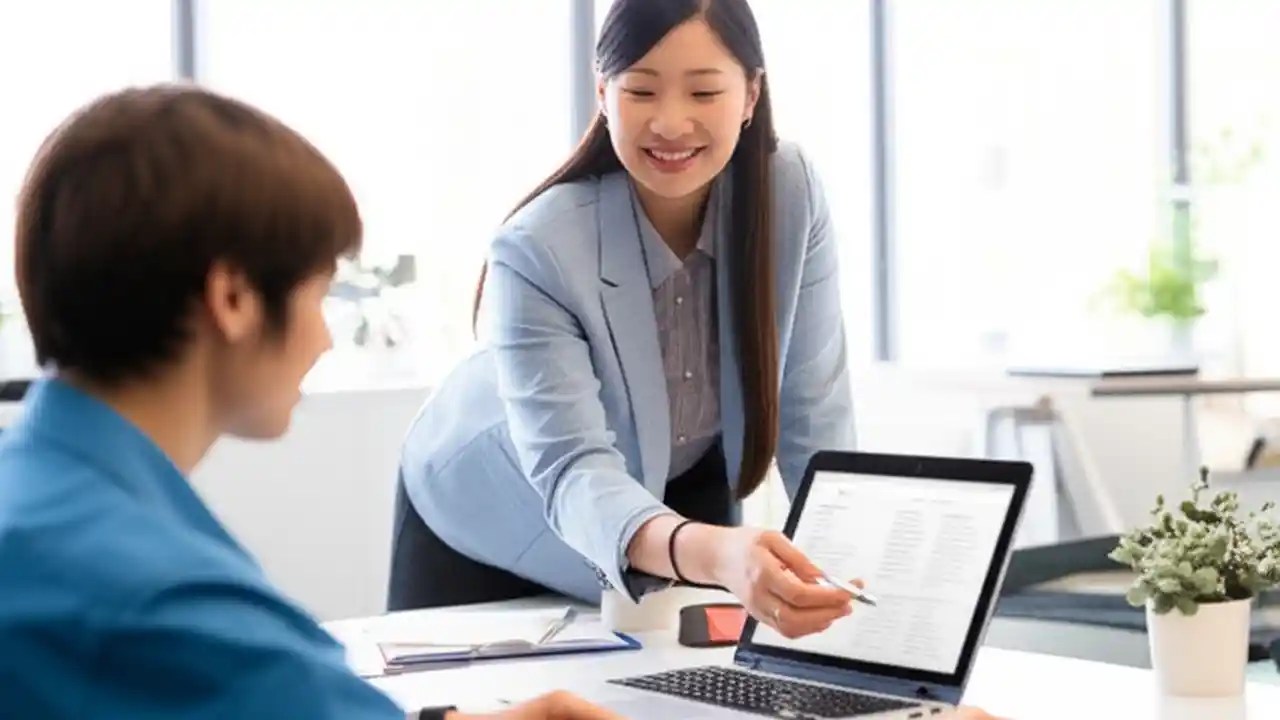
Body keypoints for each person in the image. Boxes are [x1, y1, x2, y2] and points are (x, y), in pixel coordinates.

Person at [0, 84, 619, 720]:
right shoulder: (165, 604)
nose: (323, 339)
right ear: (234, 299)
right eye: (319, 294)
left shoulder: (41, 499)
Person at [392, 0, 856, 640]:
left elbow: (815, 407)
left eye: (703, 90)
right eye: (640, 89)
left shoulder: (789, 191)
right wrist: (715, 553)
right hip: (497, 505)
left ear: (750, 94)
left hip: (673, 488)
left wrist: (857, 574)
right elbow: (575, 468)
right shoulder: (537, 245)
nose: (671, 122)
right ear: (603, 92)